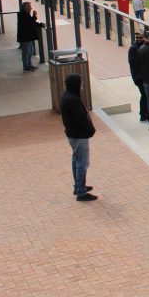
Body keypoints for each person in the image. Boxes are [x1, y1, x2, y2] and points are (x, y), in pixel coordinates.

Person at [60, 73, 98, 202]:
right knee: (82, 162)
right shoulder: (73, 100)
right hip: (79, 135)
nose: (82, 85)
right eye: (80, 82)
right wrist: (90, 130)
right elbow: (81, 119)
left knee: (76, 160)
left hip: (73, 134)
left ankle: (78, 186)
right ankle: (81, 191)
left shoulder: (67, 97)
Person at [127, 34, 149, 122]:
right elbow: (133, 64)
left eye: (140, 37)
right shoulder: (133, 48)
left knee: (145, 95)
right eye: (137, 38)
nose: (138, 39)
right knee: (145, 95)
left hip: (143, 76)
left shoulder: (144, 46)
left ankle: (145, 114)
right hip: (139, 77)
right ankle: (144, 115)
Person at [16, 1, 42, 72]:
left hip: (28, 37)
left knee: (30, 52)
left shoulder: (26, 14)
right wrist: (34, 16)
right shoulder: (23, 15)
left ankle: (29, 65)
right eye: (30, 7)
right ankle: (26, 67)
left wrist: (39, 24)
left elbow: (31, 22)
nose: (31, 8)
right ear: (26, 8)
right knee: (26, 53)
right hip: (25, 38)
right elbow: (30, 23)